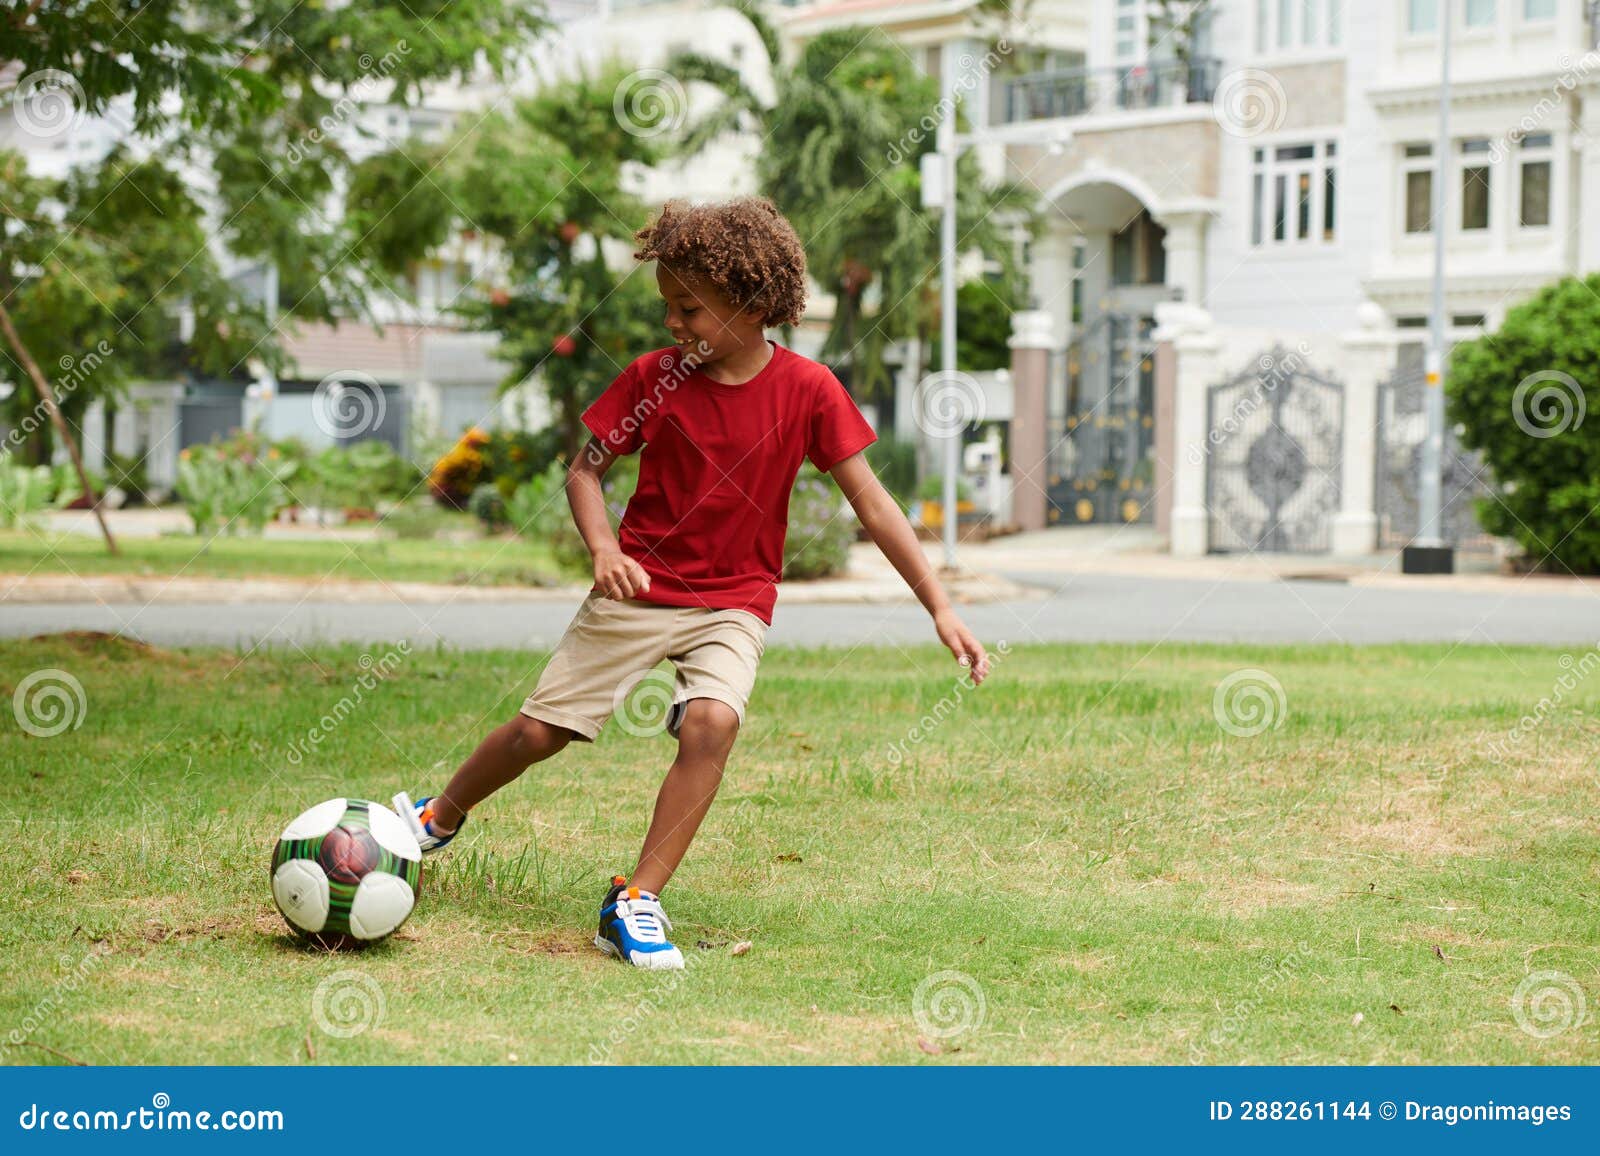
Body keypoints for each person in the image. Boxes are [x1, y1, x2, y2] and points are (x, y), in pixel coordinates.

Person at [397, 197, 990, 969]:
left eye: (689, 308)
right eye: (667, 306)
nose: (673, 324)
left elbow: (873, 505)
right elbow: (586, 471)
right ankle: (439, 813)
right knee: (540, 732)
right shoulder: (654, 379)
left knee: (713, 723)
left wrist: (940, 606)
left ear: (751, 303)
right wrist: (604, 548)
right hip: (640, 589)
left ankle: (637, 898)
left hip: (733, 602)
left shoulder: (810, 391)